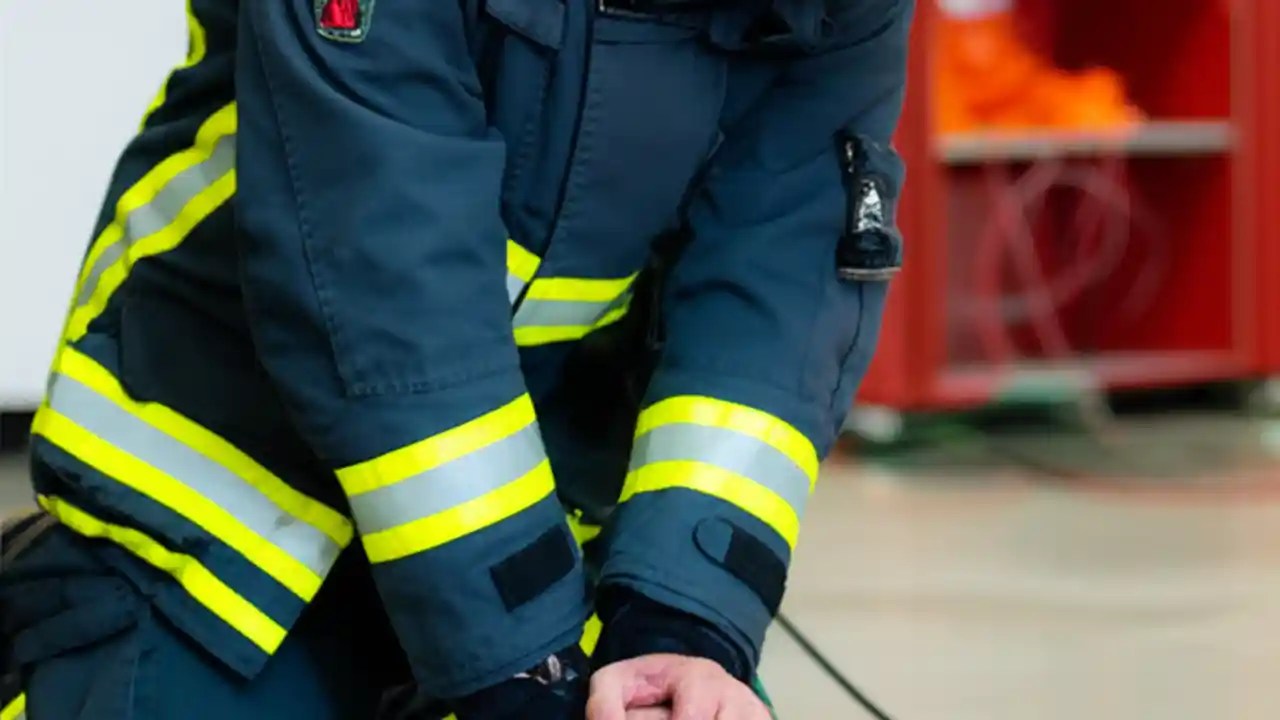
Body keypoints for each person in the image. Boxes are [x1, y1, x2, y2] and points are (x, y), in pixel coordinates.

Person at [0, 0, 914, 716]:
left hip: (546, 521)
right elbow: (385, 277)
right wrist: (526, 665)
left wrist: (683, 622)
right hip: (221, 506)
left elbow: (775, 297)